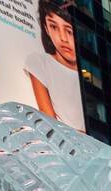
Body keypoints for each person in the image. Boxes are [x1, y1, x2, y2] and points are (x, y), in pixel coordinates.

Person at [26, 0, 85, 132]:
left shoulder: (90, 71)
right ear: (46, 28)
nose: (63, 38)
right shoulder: (40, 62)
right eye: (54, 27)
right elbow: (48, 118)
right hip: (65, 144)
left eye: (69, 31)